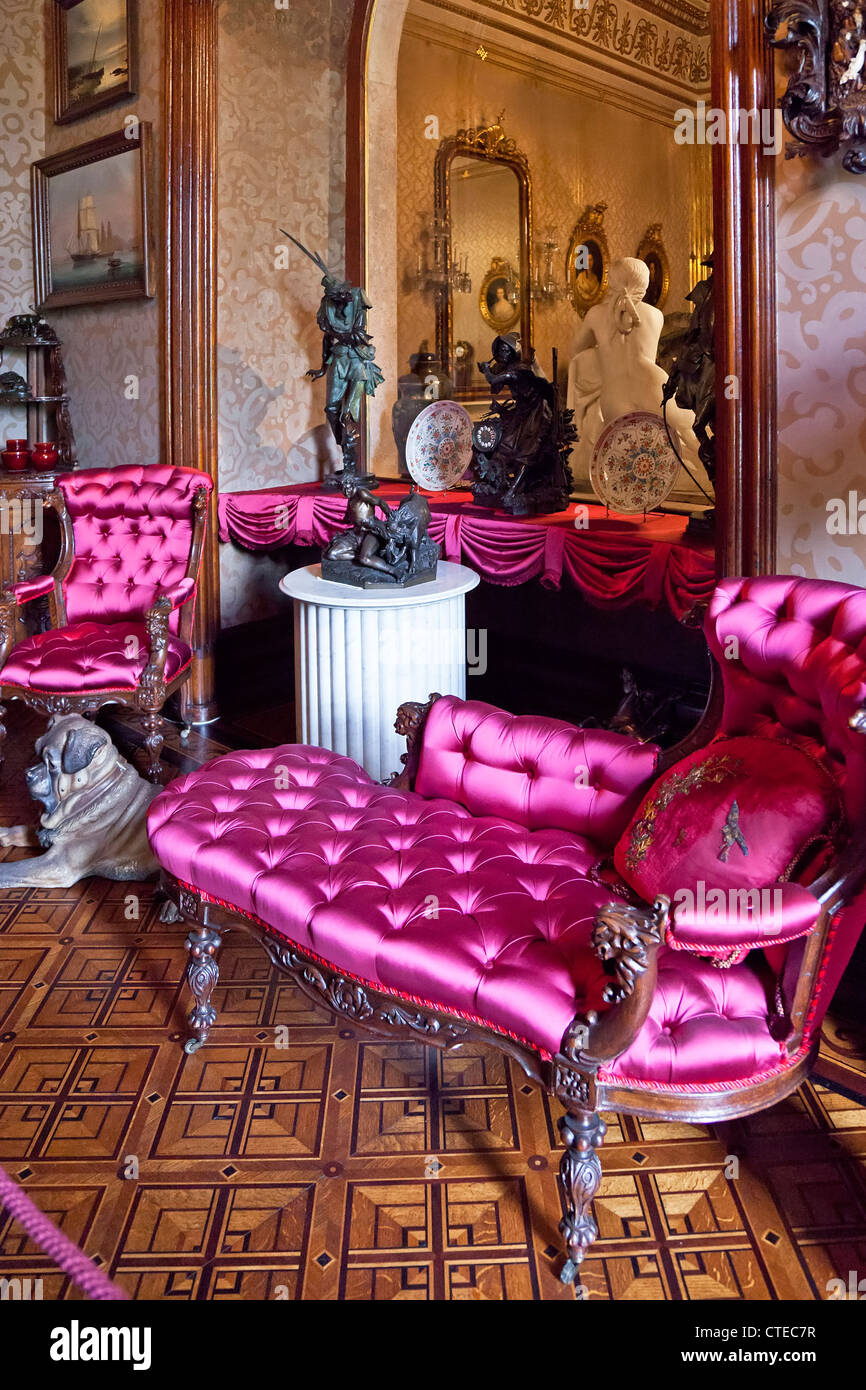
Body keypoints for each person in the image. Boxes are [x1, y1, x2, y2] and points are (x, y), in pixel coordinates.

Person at [568, 256, 708, 491]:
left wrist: (601, 351)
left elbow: (576, 350)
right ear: (644, 284)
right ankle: (712, 478)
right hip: (651, 383)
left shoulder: (595, 314)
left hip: (613, 394)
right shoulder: (654, 315)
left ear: (610, 281)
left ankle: (644, 493)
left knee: (631, 449)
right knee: (687, 432)